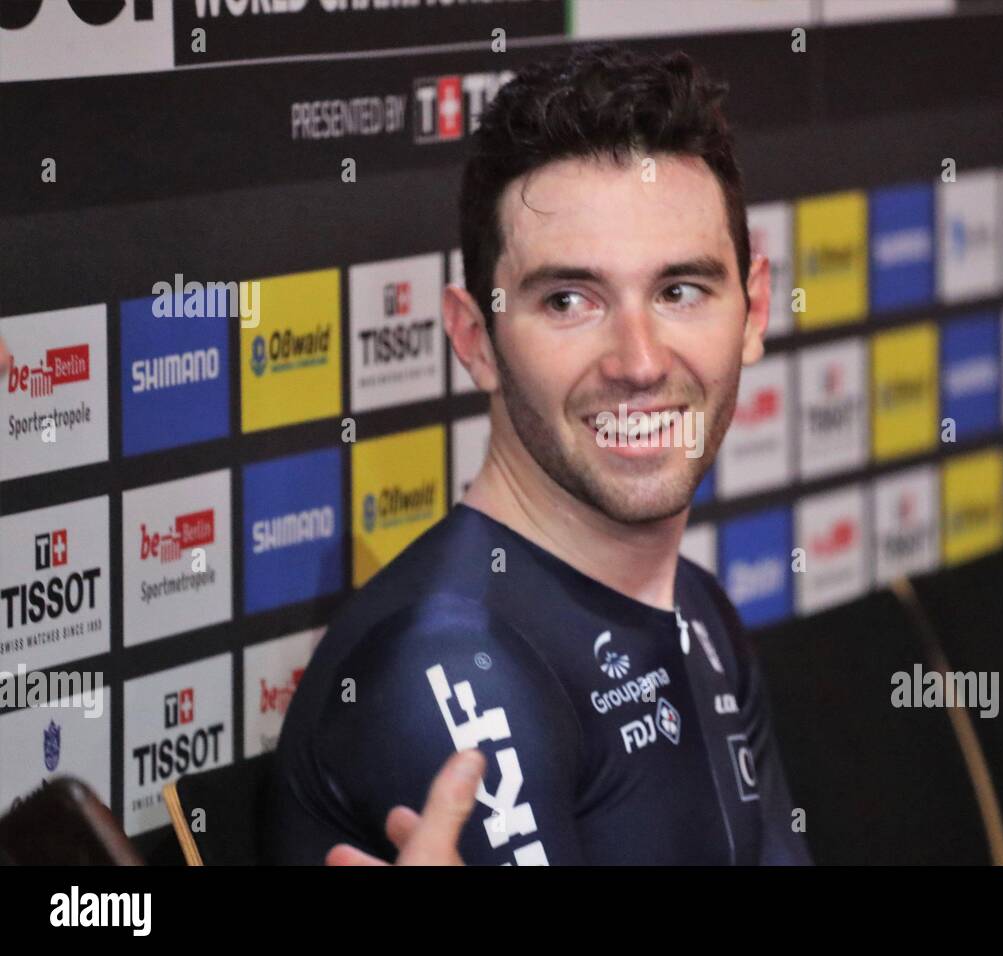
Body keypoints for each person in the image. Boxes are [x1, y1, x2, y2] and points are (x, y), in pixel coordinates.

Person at [266, 44, 811, 866]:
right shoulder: (451, 671)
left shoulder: (699, 611)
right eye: (569, 300)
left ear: (754, 308)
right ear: (475, 338)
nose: (639, 360)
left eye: (680, 291)